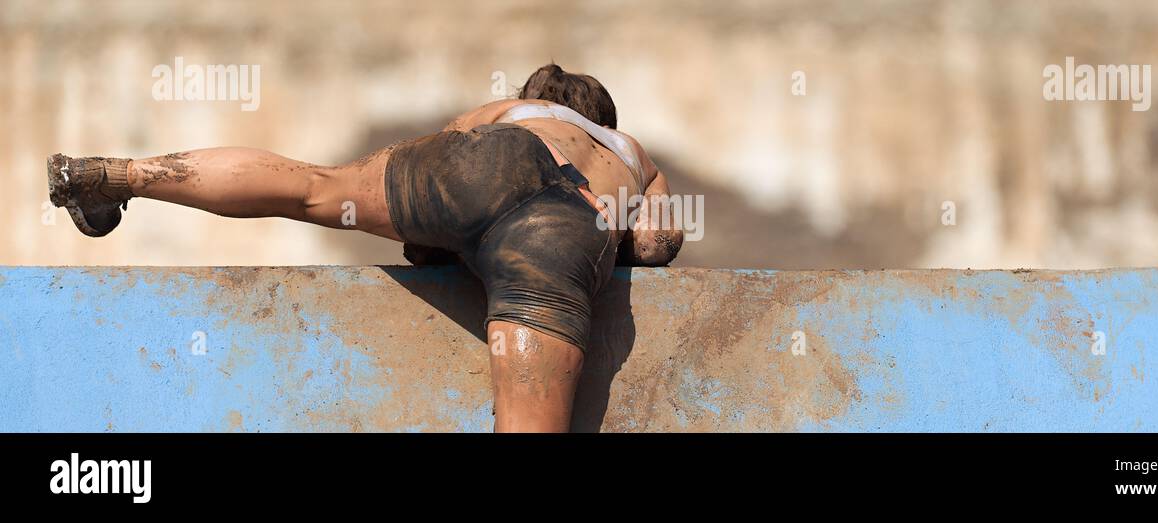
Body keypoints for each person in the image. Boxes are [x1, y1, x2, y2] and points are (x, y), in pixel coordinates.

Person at [46, 64, 685, 432]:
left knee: (313, 187)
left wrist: (442, 234)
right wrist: (608, 237)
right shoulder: (632, 153)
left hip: (491, 158)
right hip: (562, 225)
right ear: (607, 120)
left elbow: (449, 154)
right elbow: (657, 242)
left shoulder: (509, 108)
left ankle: (116, 176)